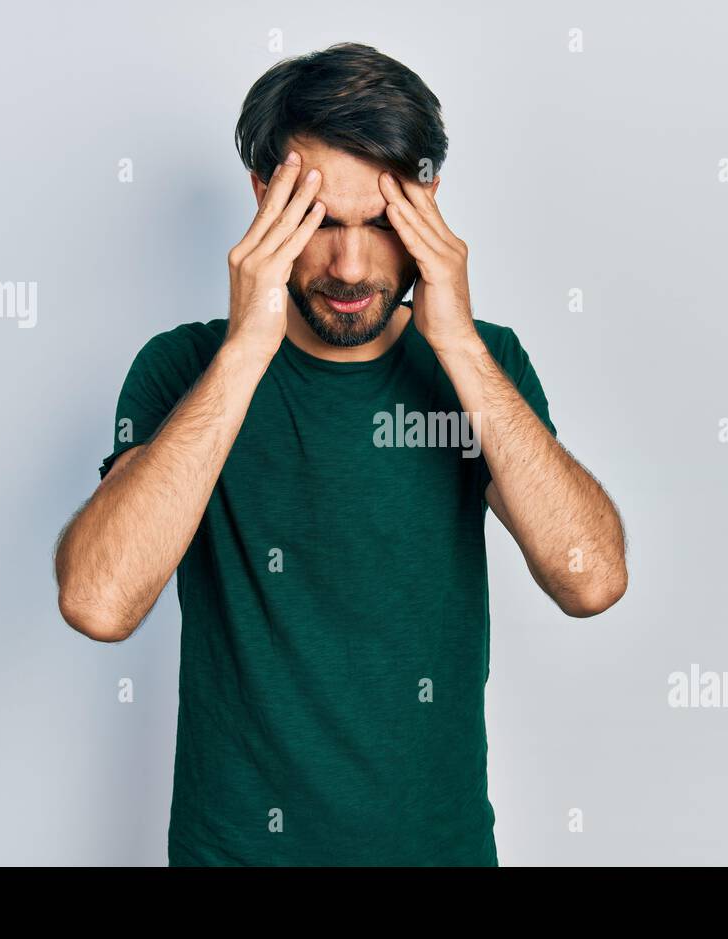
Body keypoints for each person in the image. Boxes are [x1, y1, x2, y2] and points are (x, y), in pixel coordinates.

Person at [53, 42, 627, 866]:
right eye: (320, 220)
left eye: (380, 223)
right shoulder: (182, 369)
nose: (350, 266)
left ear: (427, 206)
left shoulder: (483, 365)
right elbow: (99, 603)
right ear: (264, 198)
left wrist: (457, 341)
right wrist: (246, 353)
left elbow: (592, 579)